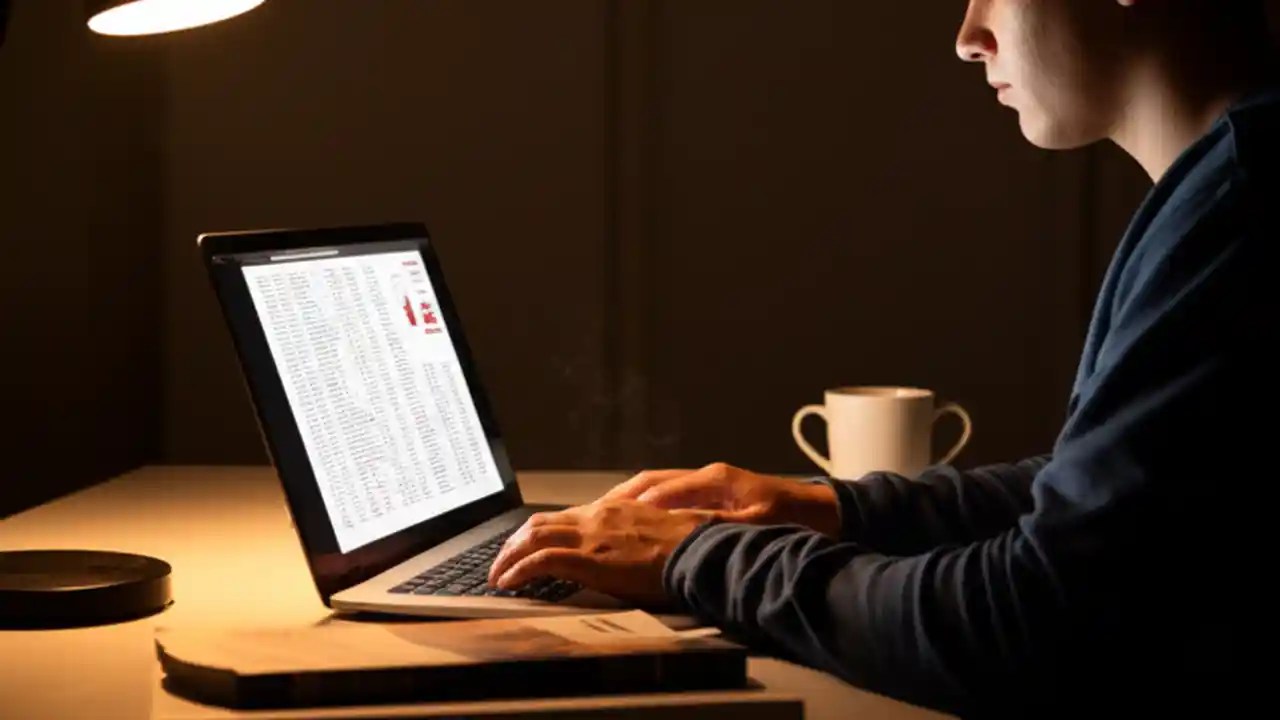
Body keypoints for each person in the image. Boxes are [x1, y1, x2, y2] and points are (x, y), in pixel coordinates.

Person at [488, 1, 1279, 715]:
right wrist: (833, 510)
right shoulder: (1226, 182)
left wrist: (700, 557)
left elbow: (1034, 619)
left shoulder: (1244, 208)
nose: (969, 38)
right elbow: (1118, 498)